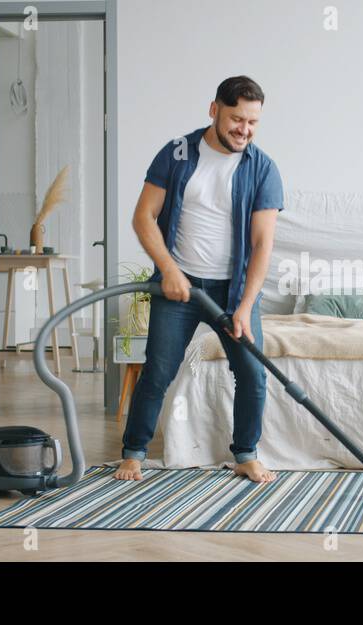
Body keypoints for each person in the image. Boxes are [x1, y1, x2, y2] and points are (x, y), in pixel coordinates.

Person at [114, 76, 283, 482]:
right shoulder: (176, 154)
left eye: (253, 122)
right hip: (180, 286)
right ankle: (133, 453)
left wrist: (244, 306)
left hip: (233, 292)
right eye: (236, 118)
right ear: (214, 110)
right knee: (158, 370)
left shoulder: (263, 169)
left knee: (252, 373)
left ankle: (245, 454)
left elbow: (262, 246)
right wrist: (170, 271)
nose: (244, 129)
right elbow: (143, 217)